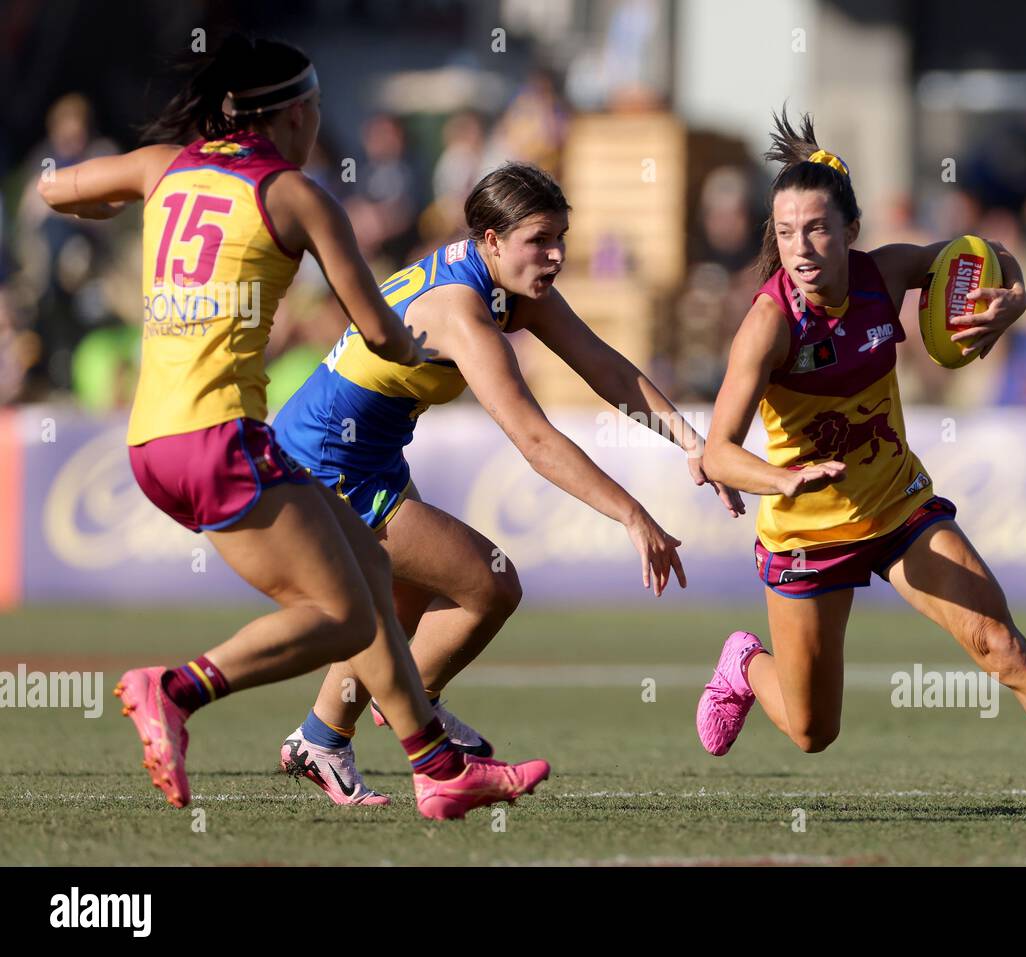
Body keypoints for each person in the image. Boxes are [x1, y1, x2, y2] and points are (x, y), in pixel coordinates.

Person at [35, 34, 547, 820]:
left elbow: (55, 193)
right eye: (314, 110)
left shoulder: (162, 166)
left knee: (371, 576)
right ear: (295, 114)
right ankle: (173, 687)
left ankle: (438, 766)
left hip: (150, 443)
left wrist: (119, 205)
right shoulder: (296, 194)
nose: (317, 126)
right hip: (221, 438)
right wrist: (421, 348)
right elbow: (379, 331)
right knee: (339, 613)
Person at [694, 108, 1026, 821]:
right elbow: (716, 450)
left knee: (999, 644)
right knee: (814, 731)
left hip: (898, 506)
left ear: (849, 230)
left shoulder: (887, 272)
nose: (801, 248)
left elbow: (987, 252)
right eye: (784, 233)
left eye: (815, 229)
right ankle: (745, 663)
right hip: (806, 529)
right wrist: (781, 479)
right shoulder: (768, 323)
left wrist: (1014, 298)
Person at [273, 161, 743, 804]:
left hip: (365, 457)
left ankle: (322, 740)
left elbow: (601, 365)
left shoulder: (508, 282)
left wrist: (693, 441)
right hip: (324, 463)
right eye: (539, 240)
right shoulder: (462, 310)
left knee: (407, 601)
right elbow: (536, 440)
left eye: (561, 239)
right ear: (490, 240)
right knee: (488, 583)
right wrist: (634, 516)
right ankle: (416, 713)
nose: (555, 256)